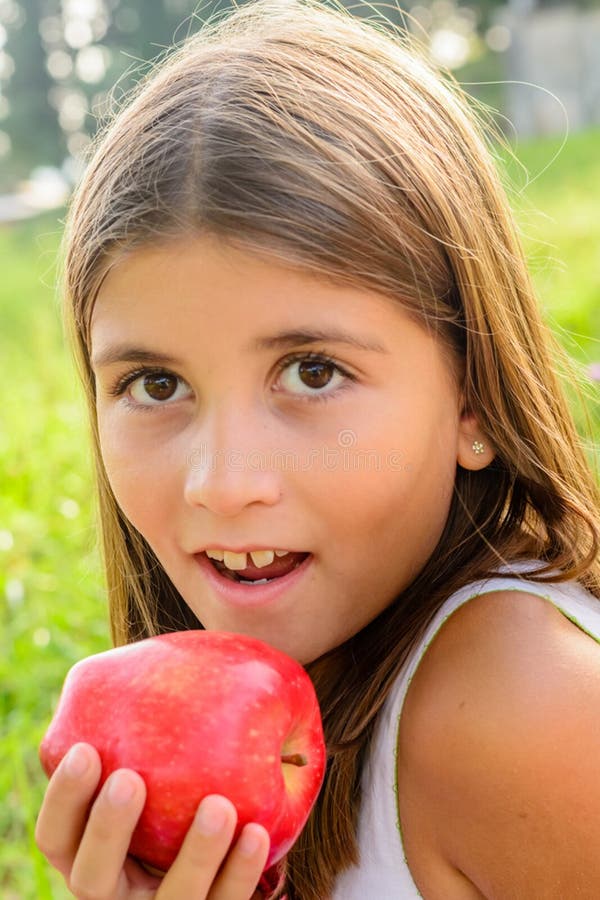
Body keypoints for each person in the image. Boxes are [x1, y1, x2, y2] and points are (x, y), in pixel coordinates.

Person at [35, 0, 600, 897]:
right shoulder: (317, 693)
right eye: (155, 385)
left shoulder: (517, 712)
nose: (223, 485)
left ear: (474, 400)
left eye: (311, 371)